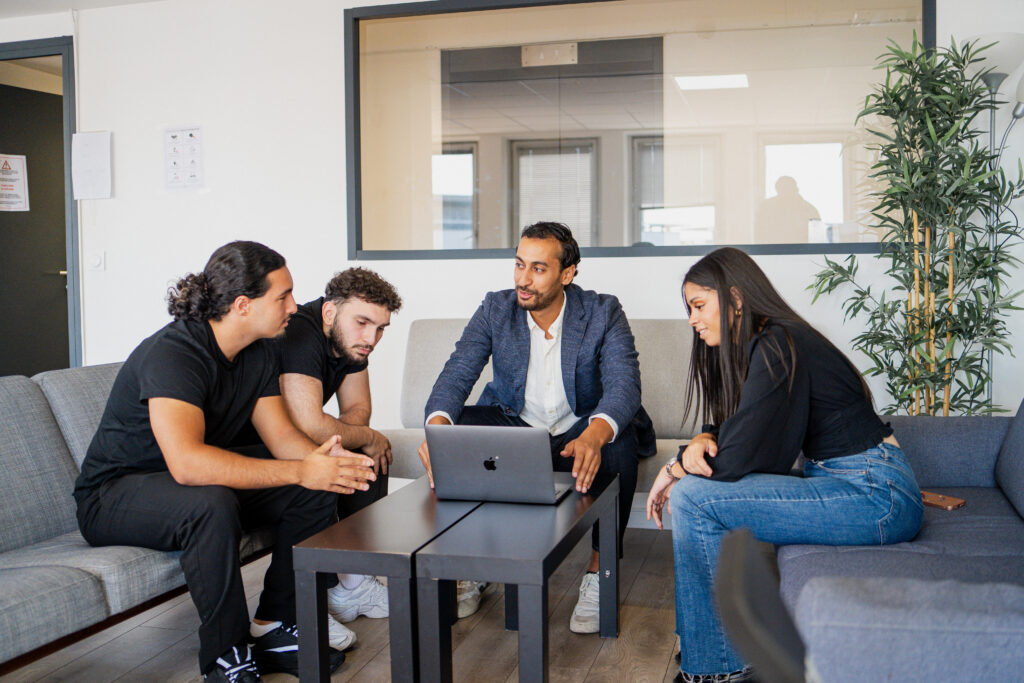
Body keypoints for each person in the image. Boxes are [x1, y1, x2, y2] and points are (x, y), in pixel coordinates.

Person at [73, 241, 376, 683]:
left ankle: (273, 624)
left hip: (187, 479)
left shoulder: (257, 351)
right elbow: (188, 465)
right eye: (283, 296)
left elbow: (281, 438)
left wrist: (324, 465)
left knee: (314, 484)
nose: (295, 306)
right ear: (242, 305)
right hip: (116, 493)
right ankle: (226, 653)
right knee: (210, 502)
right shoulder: (174, 353)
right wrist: (301, 468)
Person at [645, 247, 923, 682]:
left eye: (699, 306)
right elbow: (742, 429)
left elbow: (742, 454)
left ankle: (718, 669)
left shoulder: (779, 341)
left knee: (695, 499)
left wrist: (675, 467)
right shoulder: (771, 340)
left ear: (735, 299)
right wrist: (703, 438)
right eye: (689, 309)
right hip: (853, 484)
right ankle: (714, 653)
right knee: (697, 497)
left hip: (875, 495)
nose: (692, 320)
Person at [419, 221, 655, 631]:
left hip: (578, 426)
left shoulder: (602, 311)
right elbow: (457, 373)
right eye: (518, 265)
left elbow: (624, 384)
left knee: (618, 442)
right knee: (460, 436)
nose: (523, 280)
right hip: (517, 425)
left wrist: (595, 434)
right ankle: (478, 565)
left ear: (568, 273)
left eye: (538, 269)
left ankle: (600, 571)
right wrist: (438, 428)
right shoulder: (496, 308)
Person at [276, 267, 402, 643]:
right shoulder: (301, 333)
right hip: (265, 445)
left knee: (372, 457)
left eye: (380, 328)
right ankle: (318, 596)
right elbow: (310, 424)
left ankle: (352, 583)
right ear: (330, 313)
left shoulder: (353, 344)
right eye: (363, 323)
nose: (372, 339)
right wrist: (362, 436)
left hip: (307, 442)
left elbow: (359, 407)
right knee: (362, 448)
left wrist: (359, 437)